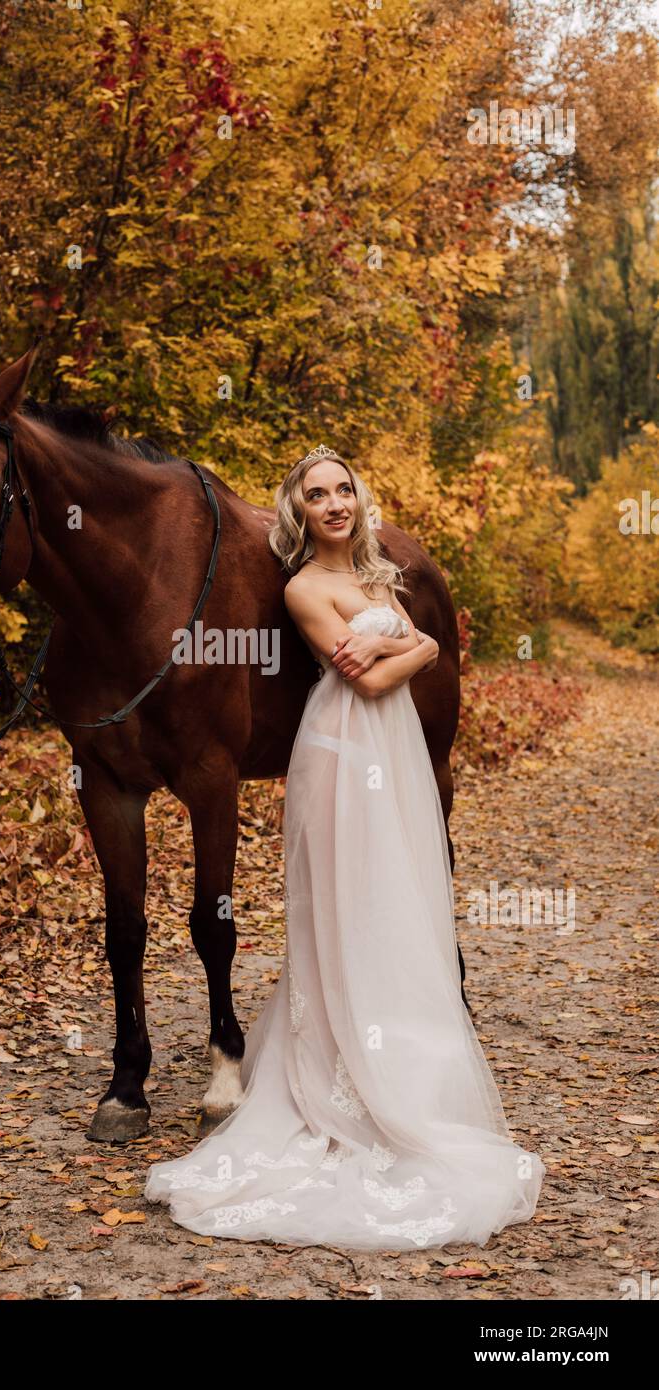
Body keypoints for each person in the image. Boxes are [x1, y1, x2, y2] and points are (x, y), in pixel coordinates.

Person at [144, 445, 545, 1250]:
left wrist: (419, 648)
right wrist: (414, 650)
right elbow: (363, 680)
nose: (333, 504)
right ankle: (333, 1080)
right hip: (341, 747)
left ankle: (399, 1063)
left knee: (393, 897)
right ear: (300, 513)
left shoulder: (378, 580)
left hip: (388, 749)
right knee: (345, 903)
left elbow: (407, 657)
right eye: (316, 495)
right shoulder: (304, 588)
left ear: (360, 502)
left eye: (343, 491)